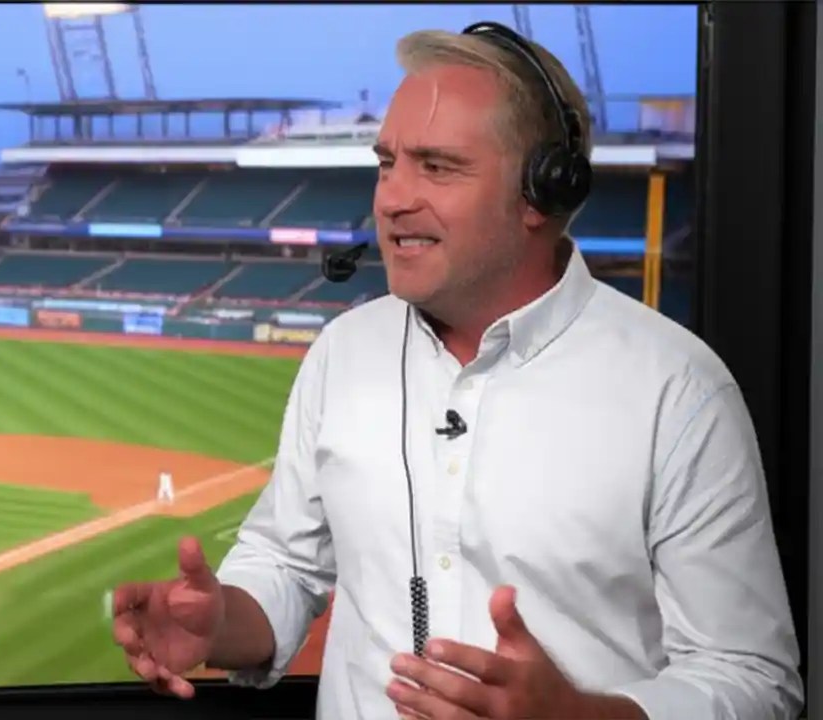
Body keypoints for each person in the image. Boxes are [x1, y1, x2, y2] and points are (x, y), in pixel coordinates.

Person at [110, 22, 803, 720]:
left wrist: (578, 716)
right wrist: (219, 624)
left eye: (437, 167)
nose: (392, 199)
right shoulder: (343, 353)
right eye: (388, 163)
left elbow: (753, 680)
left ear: (542, 193)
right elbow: (285, 565)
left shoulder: (678, 389)